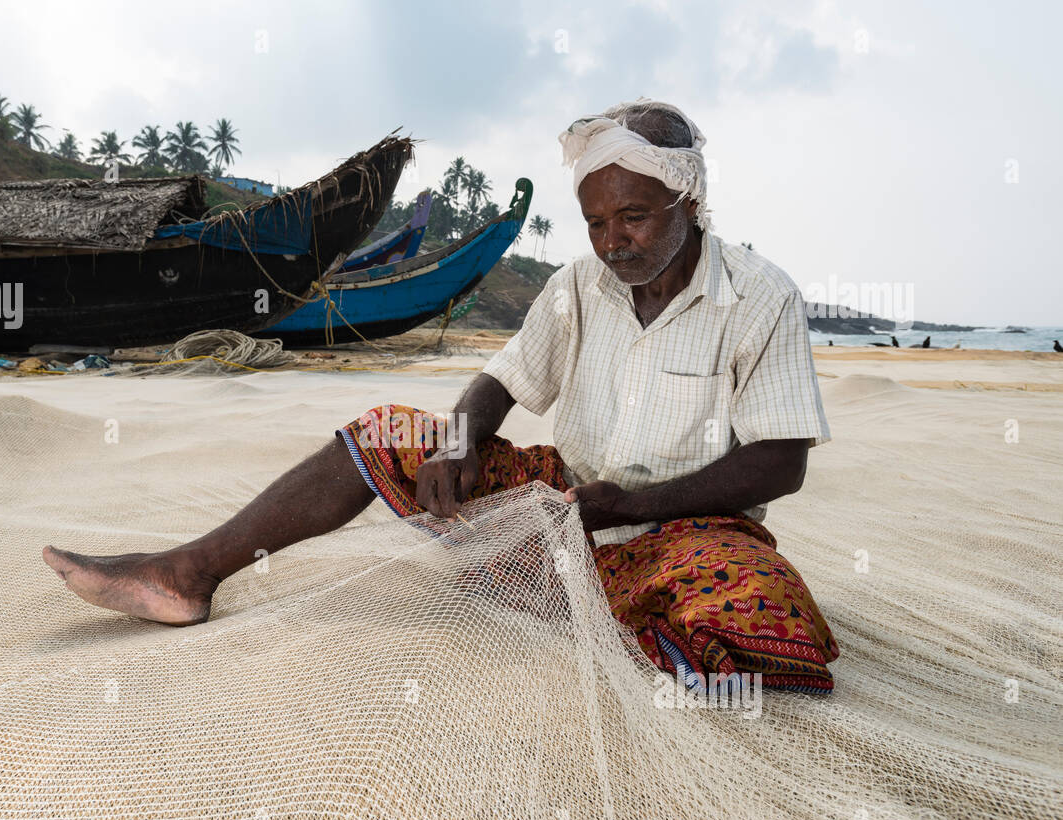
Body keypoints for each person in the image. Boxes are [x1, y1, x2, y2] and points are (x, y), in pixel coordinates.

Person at [45, 99, 841, 693]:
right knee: (389, 432)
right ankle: (189, 574)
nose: (610, 241)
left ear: (690, 202)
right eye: (595, 220)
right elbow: (500, 380)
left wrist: (632, 503)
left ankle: (561, 587)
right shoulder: (577, 287)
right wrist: (461, 440)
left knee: (765, 604)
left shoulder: (761, 297)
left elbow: (778, 462)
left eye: (633, 216)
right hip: (569, 501)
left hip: (679, 528)